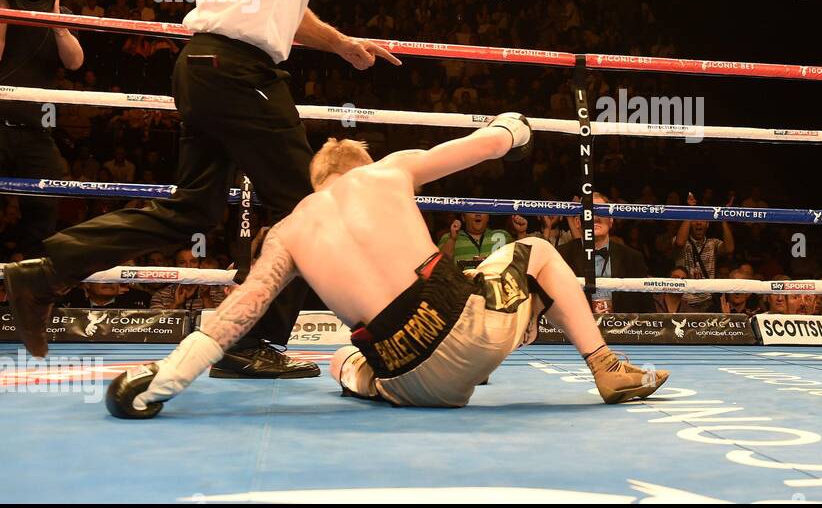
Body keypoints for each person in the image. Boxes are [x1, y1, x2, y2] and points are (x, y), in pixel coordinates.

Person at [4, 0, 545, 369]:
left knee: (193, 207)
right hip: (236, 71)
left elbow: (278, 5)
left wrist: (339, 43)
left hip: (210, 66)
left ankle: (45, 271)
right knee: (308, 208)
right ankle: (257, 342)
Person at [105, 114, 667, 418]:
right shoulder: (388, 171)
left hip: (414, 387)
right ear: (361, 165)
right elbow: (485, 145)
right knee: (539, 252)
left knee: (342, 358)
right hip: (478, 330)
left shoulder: (288, 232)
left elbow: (238, 315)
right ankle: (606, 367)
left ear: (317, 181)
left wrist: (164, 381)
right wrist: (514, 128)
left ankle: (381, 367)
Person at [0, 0, 84, 257]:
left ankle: (30, 285)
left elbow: (75, 62)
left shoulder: (58, 9)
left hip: (35, 130)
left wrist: (56, 20)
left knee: (45, 209)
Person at [557, 192, 654, 313]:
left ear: (611, 220)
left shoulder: (632, 258)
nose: (595, 217)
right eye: (589, 212)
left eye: (601, 212)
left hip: (623, 330)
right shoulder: (561, 256)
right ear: (577, 222)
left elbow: (647, 309)